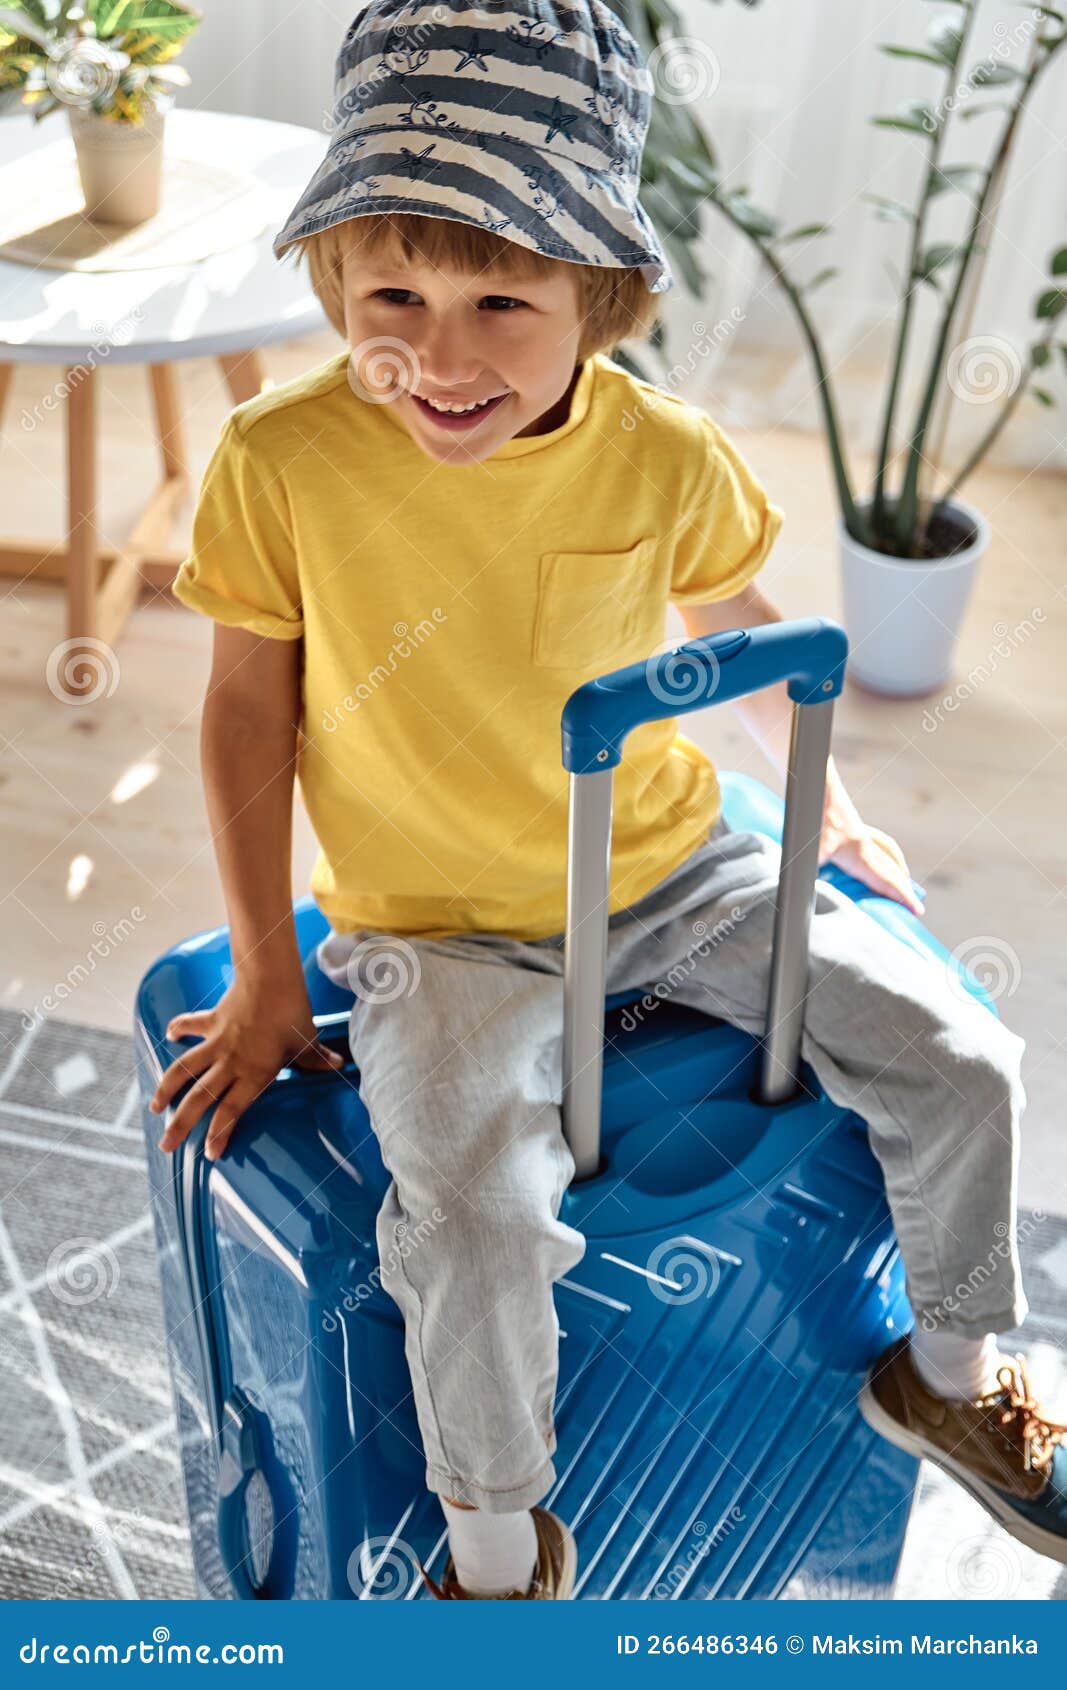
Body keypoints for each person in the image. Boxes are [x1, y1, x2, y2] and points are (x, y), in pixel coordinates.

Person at [149, 0, 1064, 1598]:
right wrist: (262, 961)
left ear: (606, 295)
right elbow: (242, 708)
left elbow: (746, 636)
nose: (439, 355)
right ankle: (503, 1564)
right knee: (470, 1214)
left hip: (672, 864)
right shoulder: (279, 459)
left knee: (964, 1052)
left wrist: (824, 816)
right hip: (436, 933)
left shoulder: (663, 454)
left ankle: (953, 1366)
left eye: (502, 296)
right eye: (394, 293)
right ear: (336, 285)